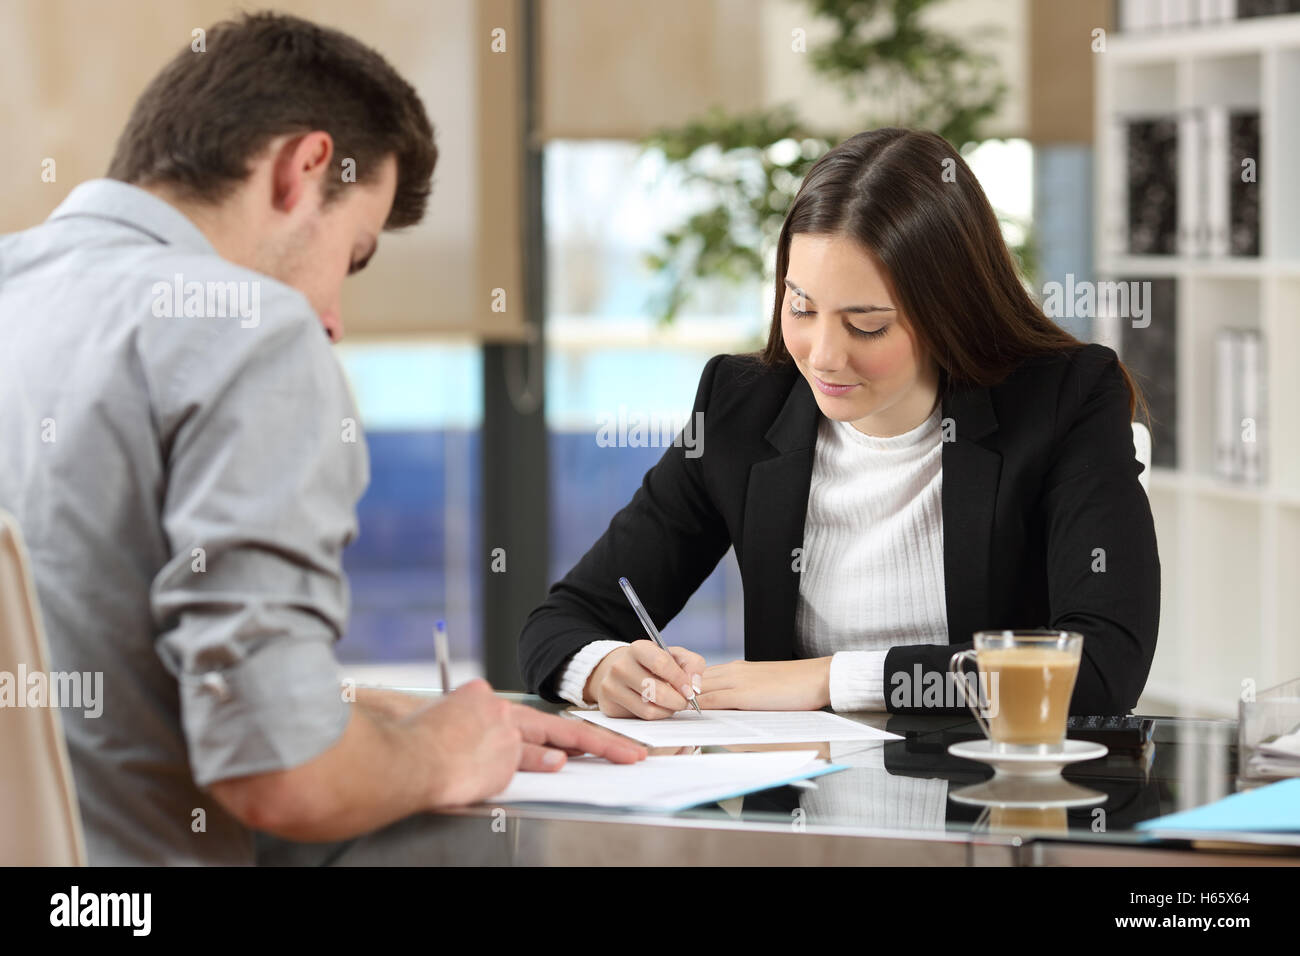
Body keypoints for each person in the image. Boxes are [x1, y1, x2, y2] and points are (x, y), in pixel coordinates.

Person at [0, 12, 643, 867]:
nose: (332, 320)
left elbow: (80, 678)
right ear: (303, 169)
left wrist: (359, 711)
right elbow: (280, 774)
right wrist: (447, 751)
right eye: (355, 253)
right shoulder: (249, 331)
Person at [519, 127, 1160, 721]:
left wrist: (832, 680)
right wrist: (602, 668)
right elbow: (563, 620)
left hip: (996, 816)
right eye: (801, 308)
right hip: (804, 823)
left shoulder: (1064, 400)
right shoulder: (742, 407)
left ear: (951, 312)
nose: (823, 356)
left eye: (866, 324)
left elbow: (1101, 665)